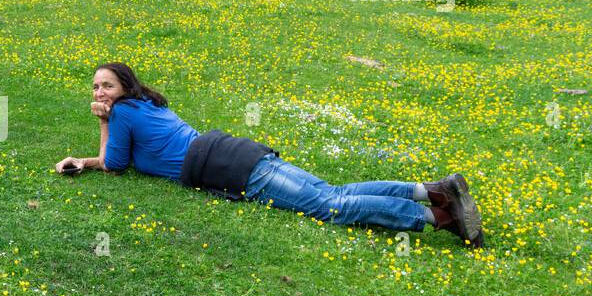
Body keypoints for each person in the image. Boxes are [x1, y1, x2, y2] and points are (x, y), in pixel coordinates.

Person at [55, 62, 484, 247]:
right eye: (95, 87)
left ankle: (440, 218)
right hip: (235, 151)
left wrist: (103, 123)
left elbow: (115, 165)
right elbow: (120, 159)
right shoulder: (147, 104)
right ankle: (432, 191)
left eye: (107, 86)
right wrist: (85, 161)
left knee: (328, 206)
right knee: (332, 192)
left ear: (124, 88)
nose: (99, 92)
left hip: (229, 168)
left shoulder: (124, 113)